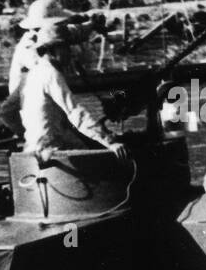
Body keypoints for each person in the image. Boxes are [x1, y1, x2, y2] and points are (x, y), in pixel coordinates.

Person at [9, 11, 127, 164]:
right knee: (103, 158)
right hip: (50, 149)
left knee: (86, 144)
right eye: (66, 48)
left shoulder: (37, 71)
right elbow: (76, 113)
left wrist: (91, 24)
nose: (70, 54)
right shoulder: (50, 74)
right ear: (54, 50)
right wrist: (110, 141)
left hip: (39, 143)